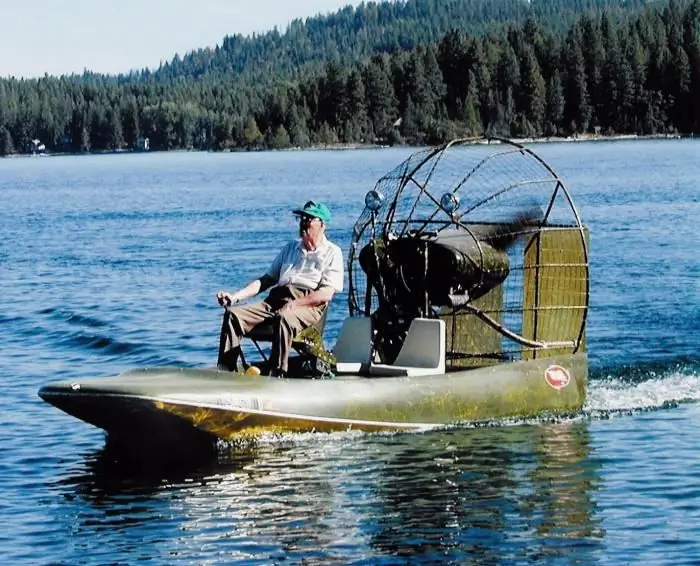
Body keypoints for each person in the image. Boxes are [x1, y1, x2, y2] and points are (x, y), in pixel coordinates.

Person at [216, 201, 344, 377]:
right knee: (233, 316)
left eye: (309, 219)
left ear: (322, 224)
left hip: (308, 306)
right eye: (301, 218)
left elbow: (326, 294)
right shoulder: (291, 247)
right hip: (275, 300)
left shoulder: (332, 252)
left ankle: (277, 373)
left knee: (285, 318)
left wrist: (295, 304)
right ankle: (225, 372)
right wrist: (235, 297)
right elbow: (266, 280)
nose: (303, 222)